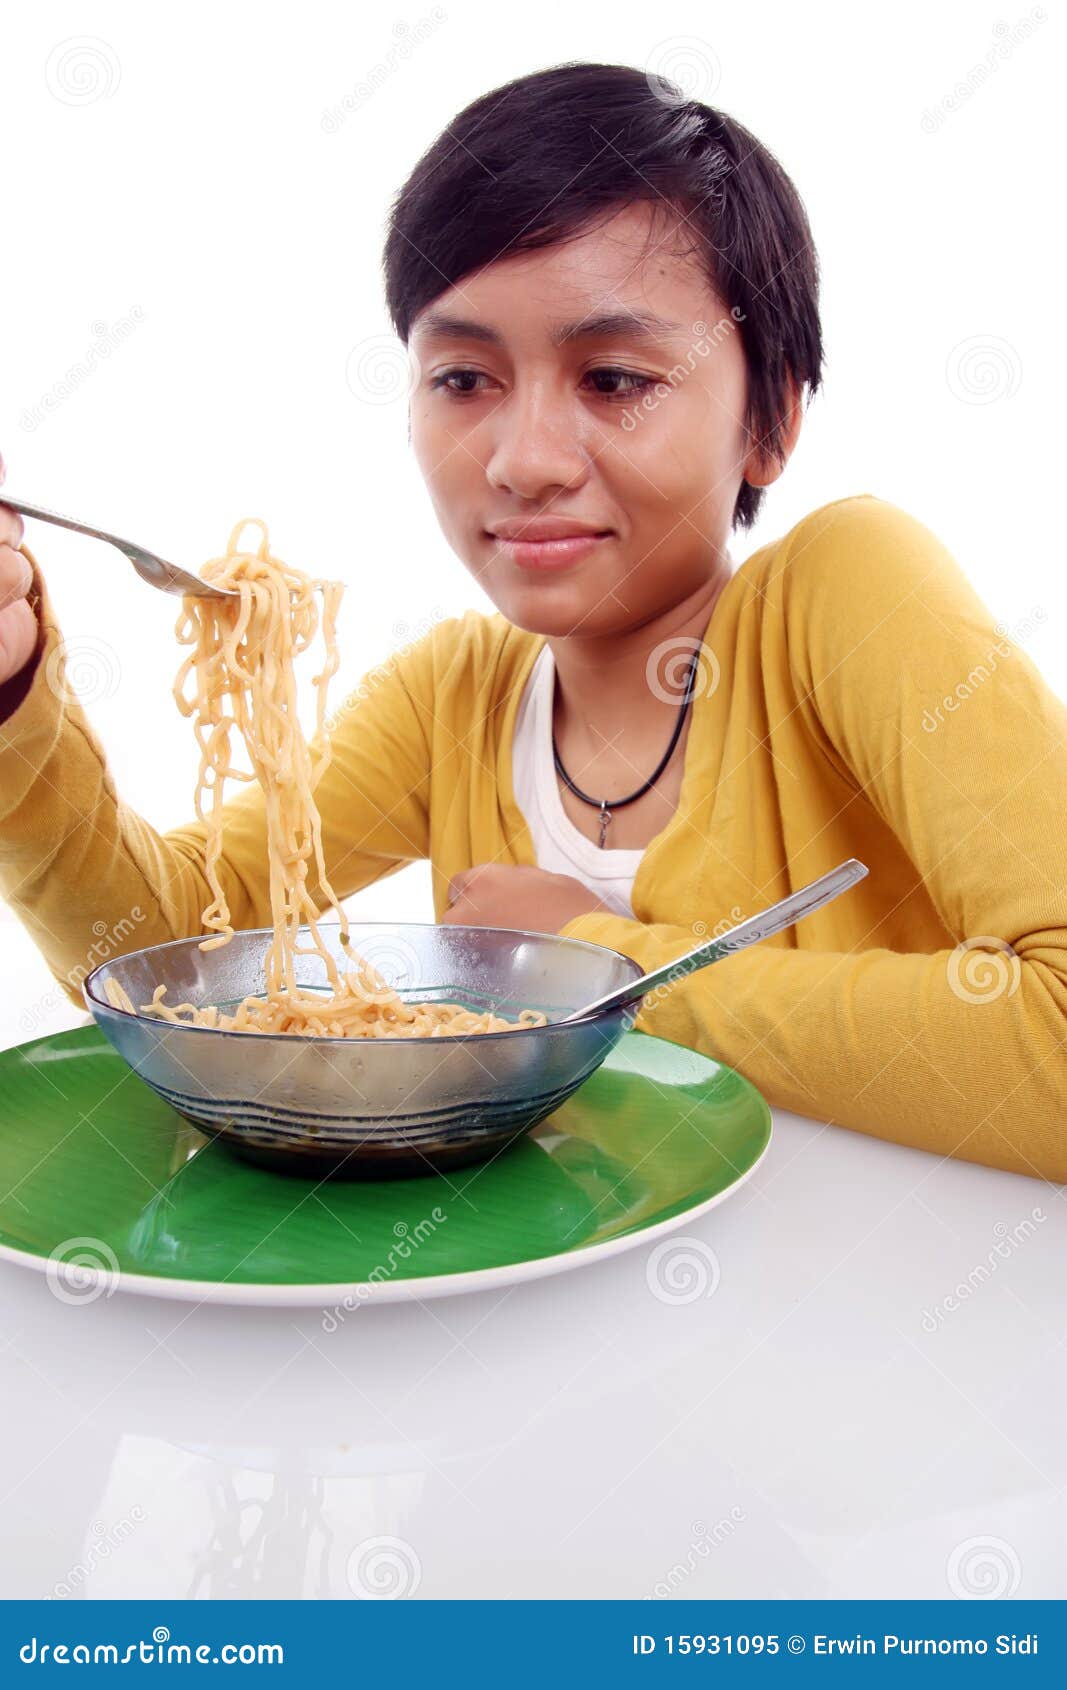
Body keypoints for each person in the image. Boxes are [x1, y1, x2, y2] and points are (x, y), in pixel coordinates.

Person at [2, 62, 1065, 1181]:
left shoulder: (847, 592)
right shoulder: (451, 697)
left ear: (771, 417)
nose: (522, 462)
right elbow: (155, 957)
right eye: (463, 379)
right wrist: (15, 692)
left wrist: (590, 961)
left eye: (611, 377)